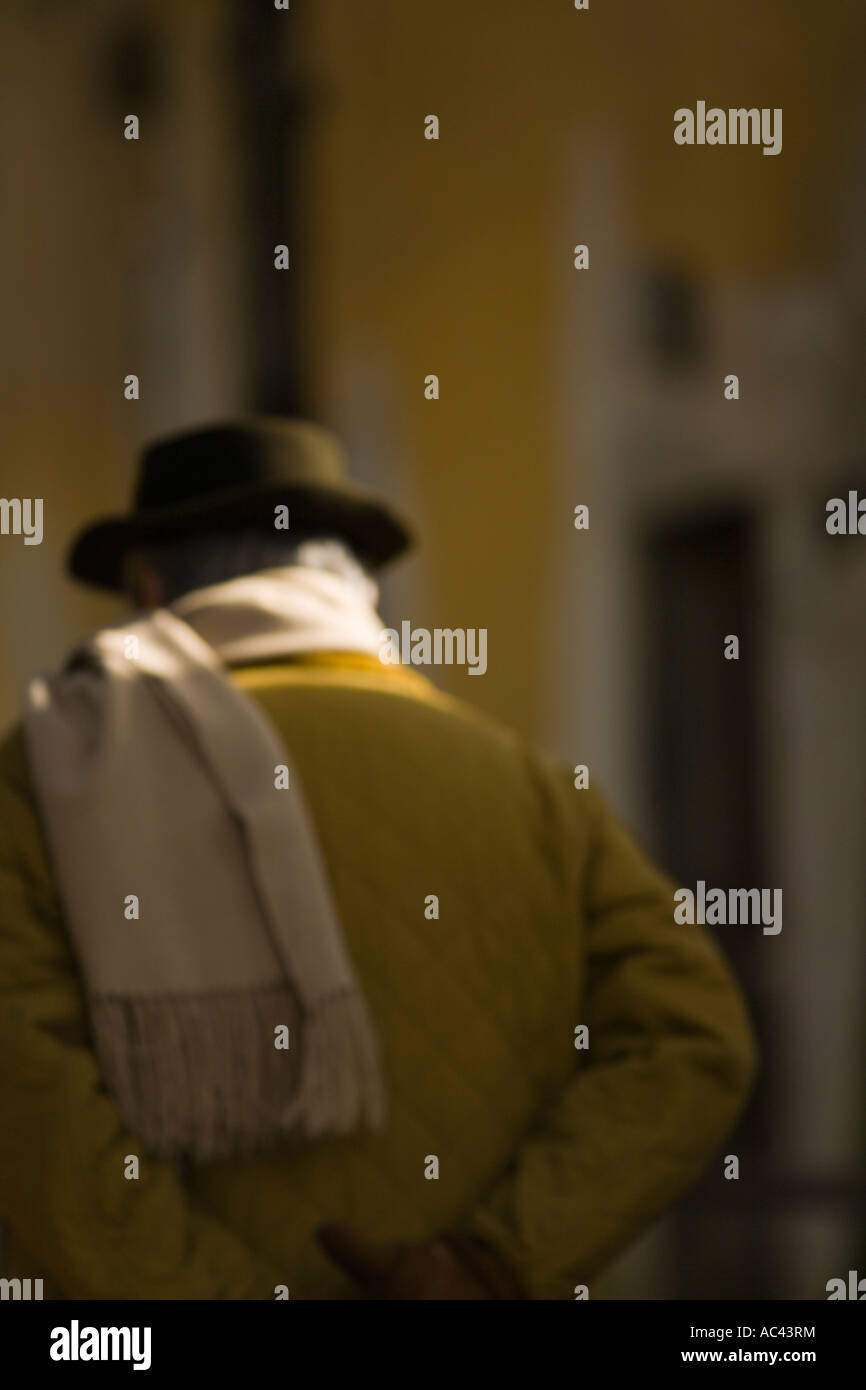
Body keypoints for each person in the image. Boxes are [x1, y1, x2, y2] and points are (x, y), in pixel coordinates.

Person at [0, 417, 757, 1300]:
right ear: (354, 584)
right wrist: (491, 1264)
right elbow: (694, 1041)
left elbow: (26, 1082)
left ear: (149, 584)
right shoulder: (537, 788)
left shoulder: (46, 777)